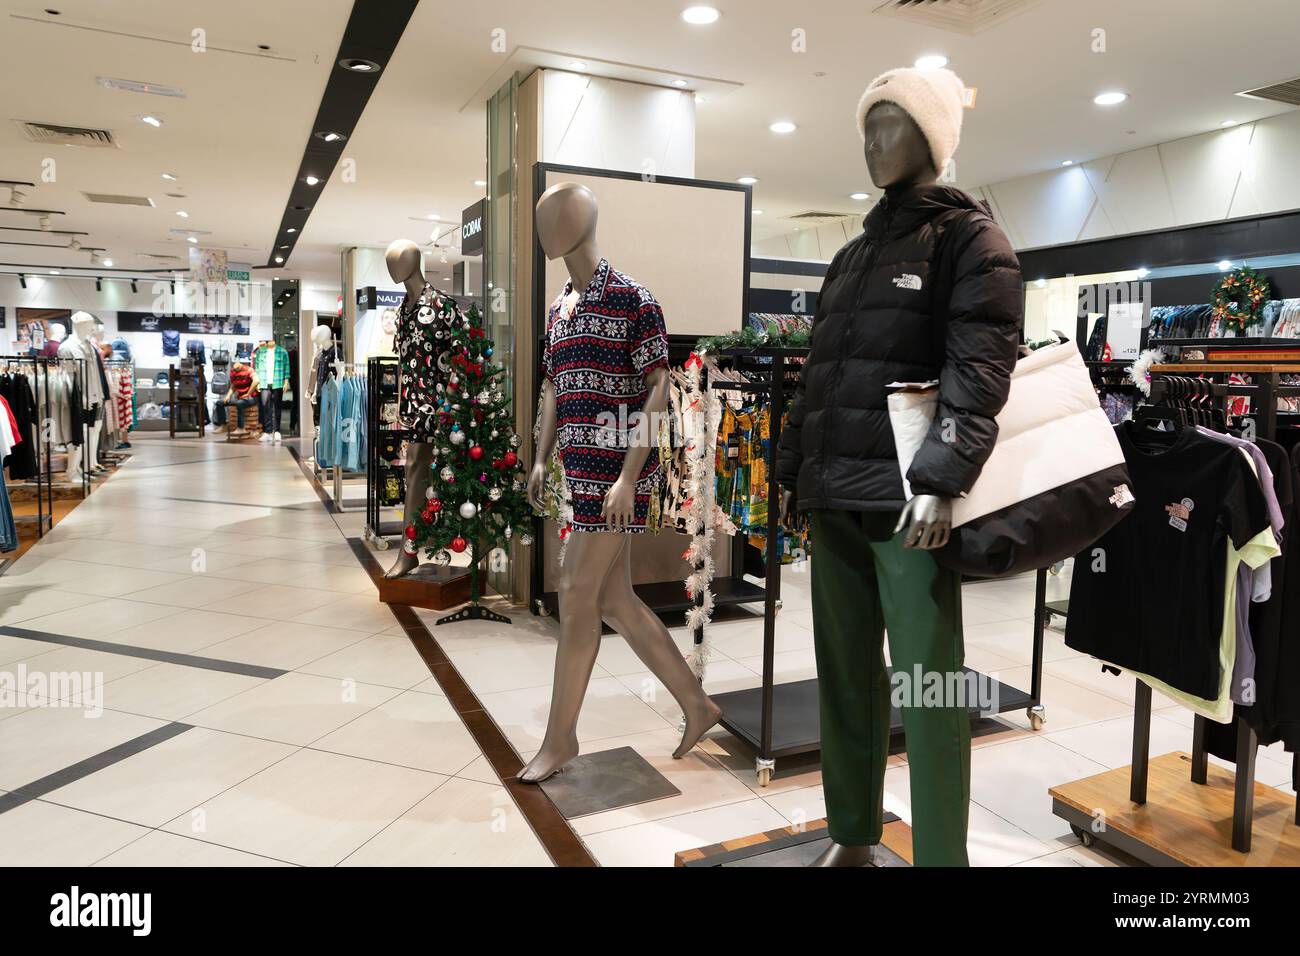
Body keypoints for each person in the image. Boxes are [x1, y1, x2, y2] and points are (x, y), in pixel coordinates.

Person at [214, 362, 259, 436]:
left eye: (237, 370)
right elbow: (234, 385)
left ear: (241, 366)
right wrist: (228, 396)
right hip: (240, 397)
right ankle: (223, 425)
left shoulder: (249, 370)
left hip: (252, 397)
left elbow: (256, 380)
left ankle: (241, 428)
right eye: (234, 370)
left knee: (240, 403)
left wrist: (248, 393)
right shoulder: (233, 371)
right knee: (219, 403)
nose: (235, 371)